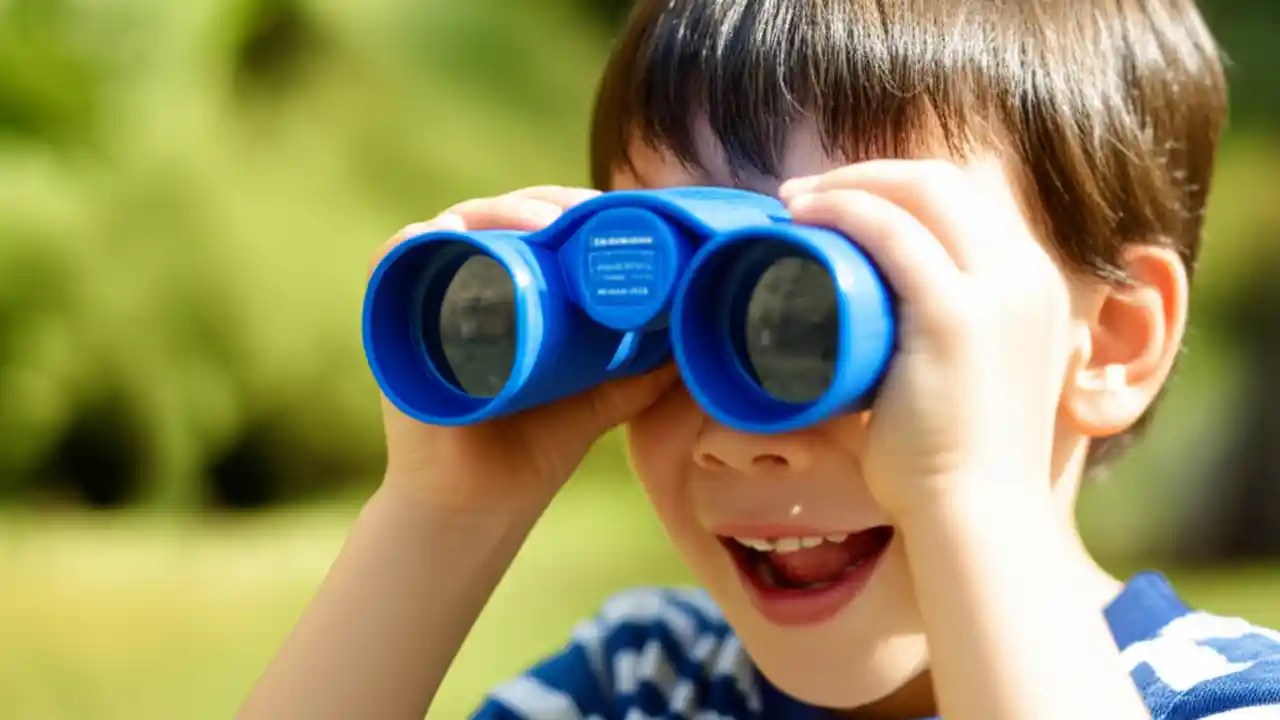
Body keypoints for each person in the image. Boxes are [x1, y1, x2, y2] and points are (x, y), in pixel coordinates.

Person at [240, 1, 1280, 718]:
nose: (743, 438)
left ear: (1105, 339)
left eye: (830, 308)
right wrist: (440, 517)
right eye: (681, 320)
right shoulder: (638, 683)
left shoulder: (1218, 695)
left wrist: (967, 499)